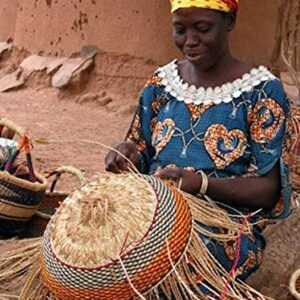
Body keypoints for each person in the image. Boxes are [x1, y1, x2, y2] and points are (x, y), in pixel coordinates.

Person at [105, 0, 293, 296]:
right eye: (180, 30)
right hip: (151, 213)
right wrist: (126, 153)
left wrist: (202, 185)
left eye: (203, 29)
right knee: (94, 247)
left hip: (219, 227)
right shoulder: (161, 83)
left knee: (175, 262)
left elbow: (269, 190)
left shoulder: (261, 92)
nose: (190, 41)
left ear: (229, 22)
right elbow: (140, 153)